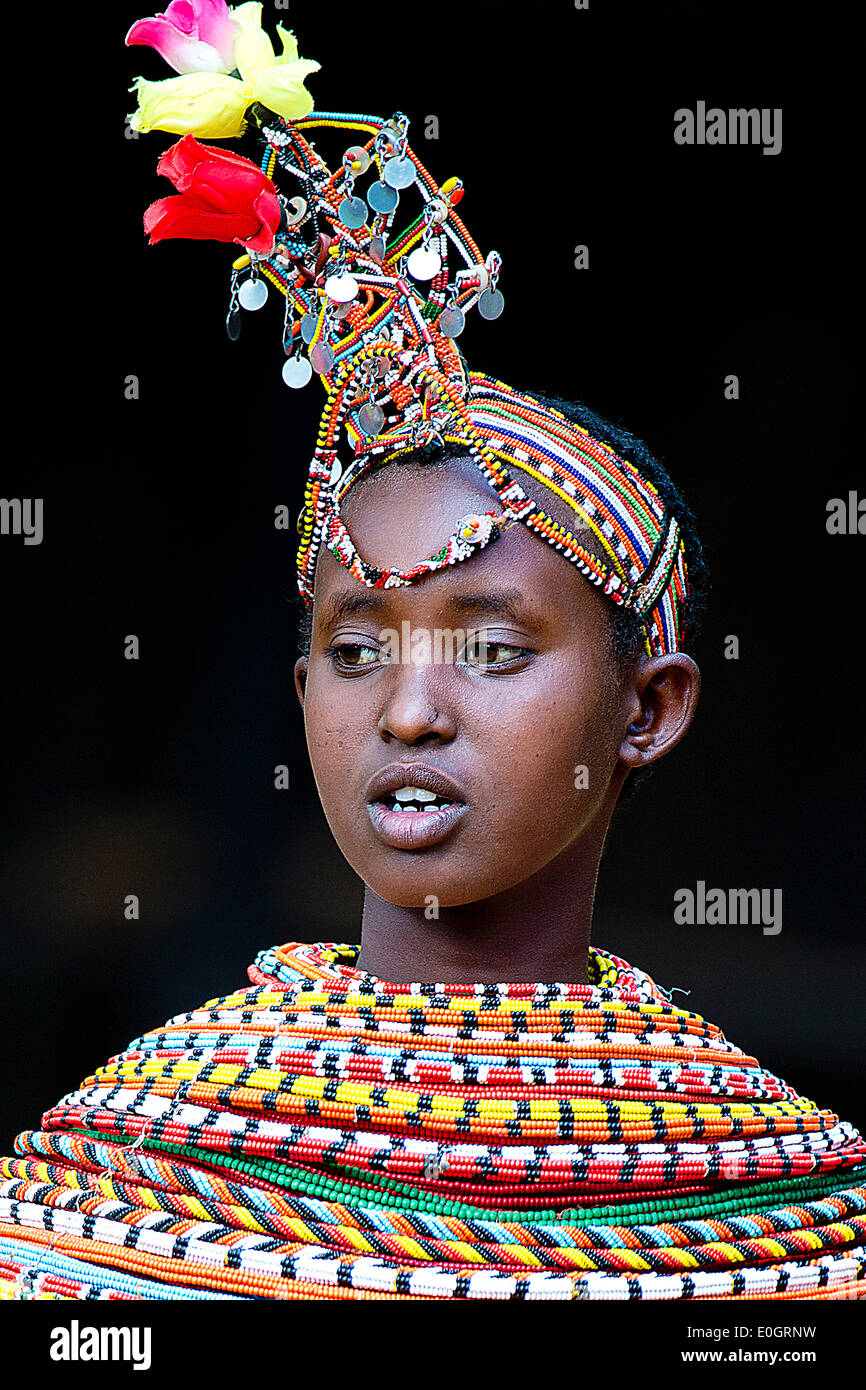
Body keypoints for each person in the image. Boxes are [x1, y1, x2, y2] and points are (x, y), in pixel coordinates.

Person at [1, 7, 863, 1302]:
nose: (407, 710)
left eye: (491, 649)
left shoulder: (791, 1213)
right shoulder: (109, 1184)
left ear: (649, 707)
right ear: (300, 691)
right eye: (354, 650)